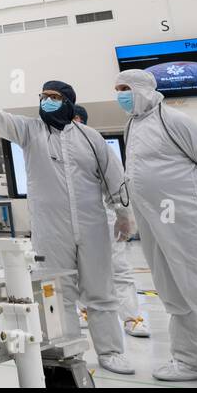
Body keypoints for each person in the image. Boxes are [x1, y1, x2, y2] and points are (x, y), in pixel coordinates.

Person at [0, 81, 135, 375]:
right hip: (51, 227)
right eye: (43, 96)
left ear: (68, 102)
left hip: (93, 224)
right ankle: (69, 350)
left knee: (101, 291)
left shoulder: (90, 137)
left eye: (54, 97)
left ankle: (110, 352)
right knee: (59, 293)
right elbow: (1, 119)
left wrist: (124, 214)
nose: (46, 101)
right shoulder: (30, 131)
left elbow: (113, 176)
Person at [116, 69, 197, 384]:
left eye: (125, 88)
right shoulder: (132, 125)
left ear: (144, 89)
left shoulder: (175, 120)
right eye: (117, 88)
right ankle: (191, 362)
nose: (120, 94)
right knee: (171, 289)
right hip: (153, 221)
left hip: (187, 217)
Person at [71, 105, 149, 339]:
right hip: (72, 220)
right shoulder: (53, 148)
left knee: (118, 268)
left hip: (105, 217)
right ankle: (82, 311)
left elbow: (117, 184)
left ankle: (132, 318)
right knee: (76, 270)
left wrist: (125, 217)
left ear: (77, 119)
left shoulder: (98, 146)